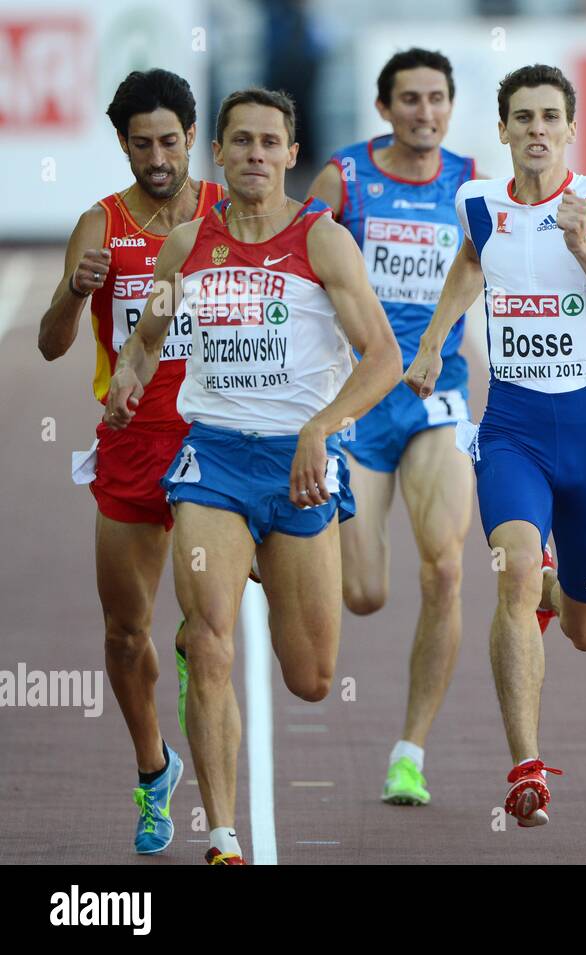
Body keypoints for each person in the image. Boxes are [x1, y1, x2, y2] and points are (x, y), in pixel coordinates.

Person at [107, 87, 402, 863]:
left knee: (309, 675)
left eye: (270, 143)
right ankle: (224, 835)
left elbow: (384, 358)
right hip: (214, 462)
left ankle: (272, 564)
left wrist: (321, 427)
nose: (255, 156)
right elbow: (146, 339)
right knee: (209, 643)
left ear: (291, 153)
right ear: (221, 153)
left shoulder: (321, 239)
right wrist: (129, 380)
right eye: (241, 142)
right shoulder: (187, 244)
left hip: (299, 466)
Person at [405, 64, 586, 827]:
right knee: (513, 572)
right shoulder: (477, 202)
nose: (538, 129)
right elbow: (470, 261)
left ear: (571, 126)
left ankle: (563, 590)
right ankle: (525, 767)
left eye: (551, 116)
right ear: (505, 128)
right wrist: (431, 343)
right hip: (512, 428)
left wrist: (585, 247)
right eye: (524, 117)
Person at [37, 69, 224, 854]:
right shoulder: (100, 223)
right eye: (142, 143)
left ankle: (199, 647)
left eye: (170, 141)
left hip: (218, 432)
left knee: (211, 614)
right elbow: (51, 344)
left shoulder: (227, 211)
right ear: (122, 143)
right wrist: (76, 296)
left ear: (191, 138)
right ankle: (154, 772)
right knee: (123, 633)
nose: (157, 156)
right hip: (131, 436)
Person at [307, 48, 476, 807]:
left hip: (436, 395)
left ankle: (410, 751)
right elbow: (292, 263)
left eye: (437, 98)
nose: (425, 112)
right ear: (384, 109)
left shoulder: (472, 181)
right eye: (409, 99)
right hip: (361, 400)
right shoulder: (344, 179)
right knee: (366, 594)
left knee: (444, 567)